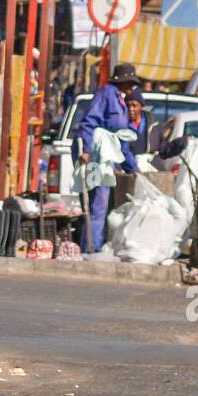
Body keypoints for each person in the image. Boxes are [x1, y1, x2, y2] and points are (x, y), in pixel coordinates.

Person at [77, 63, 140, 254]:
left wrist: (133, 167)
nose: (131, 87)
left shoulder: (120, 101)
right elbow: (89, 121)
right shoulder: (106, 94)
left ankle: (91, 245)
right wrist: (86, 150)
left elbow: (121, 140)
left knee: (100, 203)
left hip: (105, 156)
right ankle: (90, 248)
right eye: (129, 83)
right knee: (96, 203)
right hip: (95, 154)